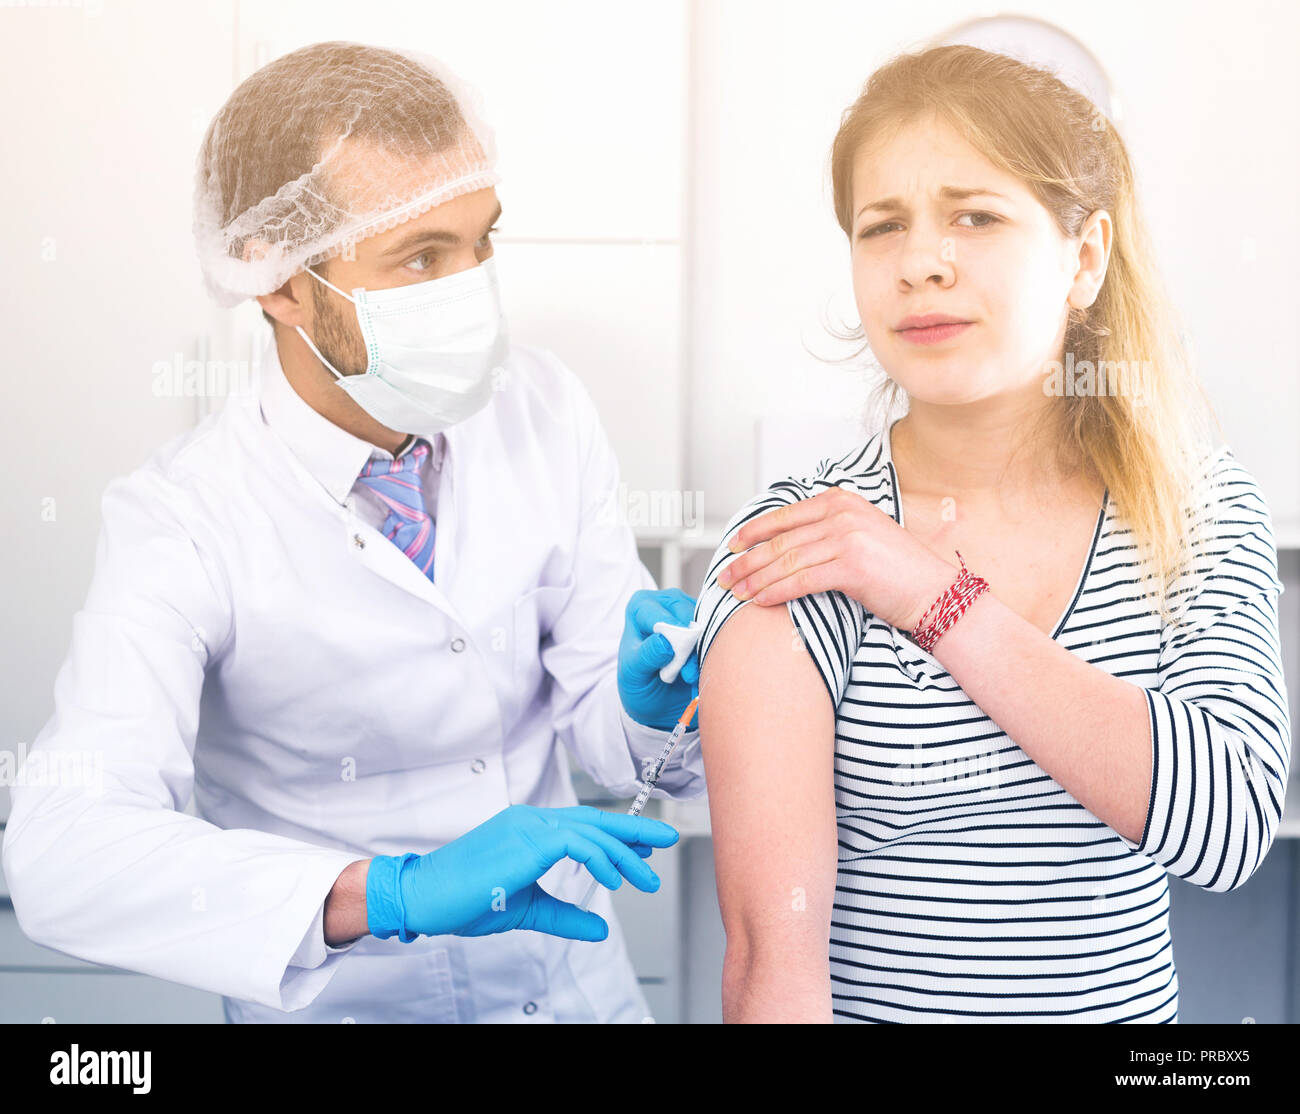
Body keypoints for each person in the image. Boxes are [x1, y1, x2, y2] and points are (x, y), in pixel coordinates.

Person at [1, 41, 704, 1024]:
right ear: (278, 281)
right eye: (420, 256)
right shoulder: (183, 518)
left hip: (568, 991)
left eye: (481, 241)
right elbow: (62, 852)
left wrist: (643, 706)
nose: (472, 290)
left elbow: (617, 732)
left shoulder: (542, 407)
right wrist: (390, 893)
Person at [692, 44, 1290, 1023]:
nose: (921, 261)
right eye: (881, 226)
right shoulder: (800, 540)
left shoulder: (1194, 506)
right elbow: (772, 967)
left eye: (975, 215)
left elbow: (1226, 827)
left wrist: (929, 595)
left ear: (1083, 257)